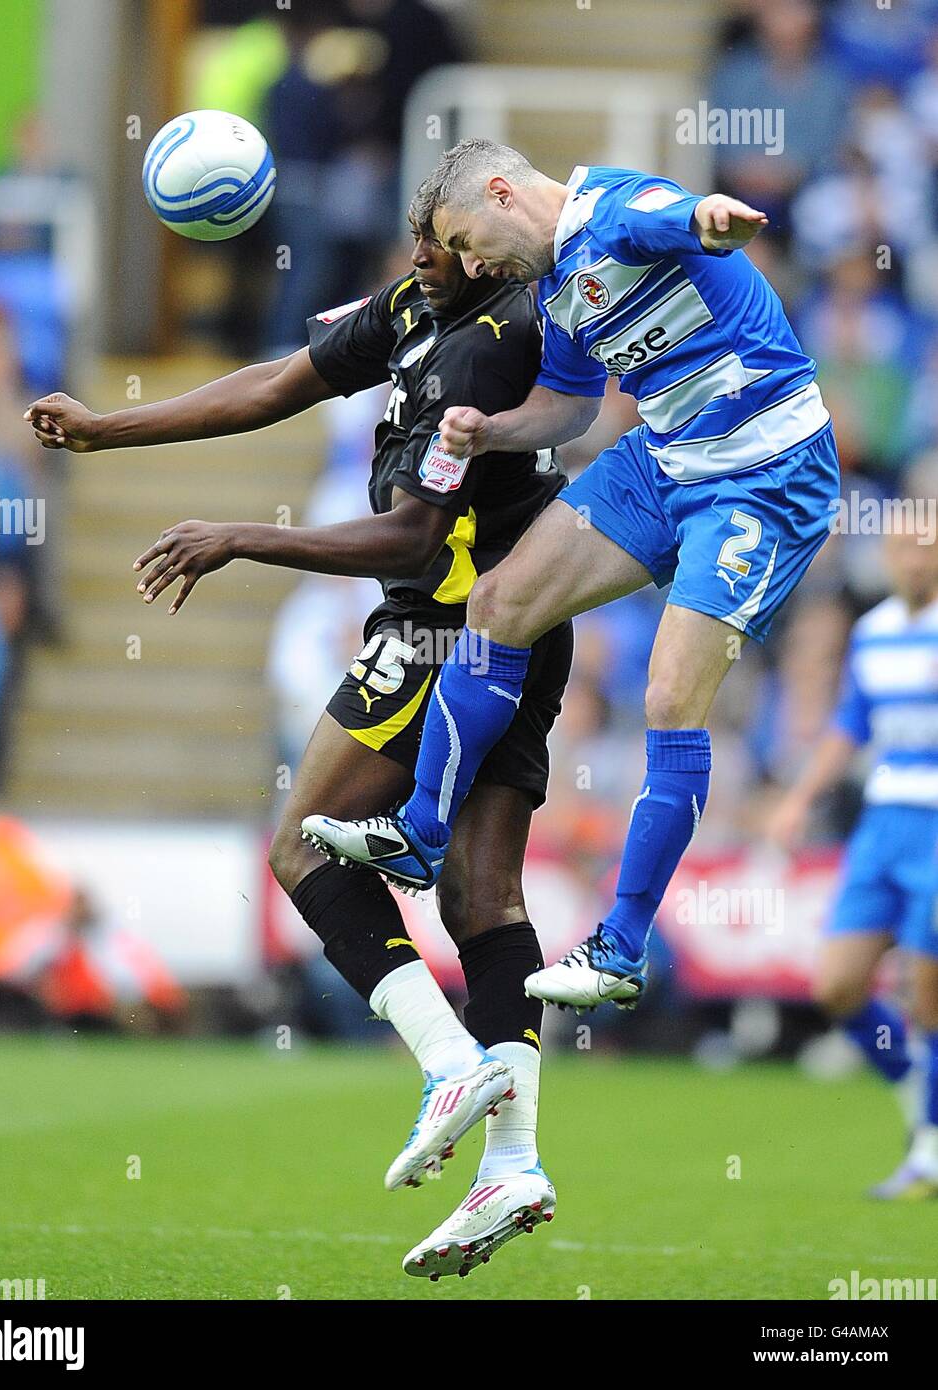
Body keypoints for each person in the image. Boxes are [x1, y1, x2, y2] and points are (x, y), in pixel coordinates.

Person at [24, 201, 572, 1279]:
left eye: (438, 242)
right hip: (524, 626)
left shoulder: (486, 342)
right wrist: (108, 427)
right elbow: (284, 380)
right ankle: (512, 1160)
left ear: (483, 248)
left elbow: (413, 532)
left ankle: (446, 1056)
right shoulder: (424, 301)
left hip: (442, 628)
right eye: (413, 234)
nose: (415, 257)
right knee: (483, 901)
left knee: (301, 845)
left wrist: (241, 536)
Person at [306, 138, 840, 1018]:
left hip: (763, 472)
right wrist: (490, 428)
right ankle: (418, 835)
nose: (471, 263)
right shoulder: (552, 288)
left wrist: (710, 220)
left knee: (670, 697)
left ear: (504, 193)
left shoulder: (616, 215)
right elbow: (573, 405)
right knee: (498, 602)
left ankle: (621, 946)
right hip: (664, 456)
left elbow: (681, 217)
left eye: (467, 239)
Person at [768, 526, 938, 1199]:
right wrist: (798, 799)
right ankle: (918, 1105)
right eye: (902, 547)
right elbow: (851, 724)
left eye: (925, 547)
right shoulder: (873, 630)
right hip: (881, 825)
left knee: (927, 998)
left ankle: (926, 1149)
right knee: (836, 987)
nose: (912, 558)